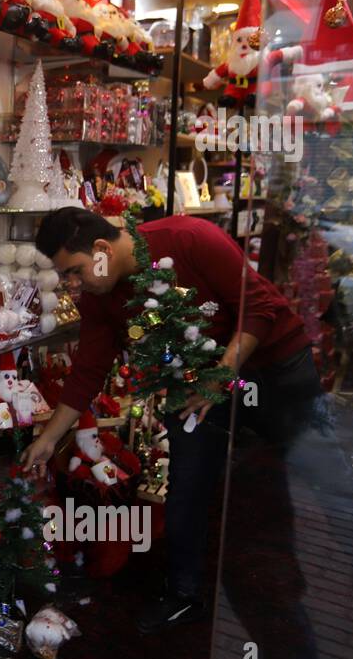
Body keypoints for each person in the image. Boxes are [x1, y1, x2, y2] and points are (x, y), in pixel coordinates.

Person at [19, 208, 320, 634]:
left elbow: (259, 307)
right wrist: (49, 438)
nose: (71, 284)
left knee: (316, 469)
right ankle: (184, 594)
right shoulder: (101, 297)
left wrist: (222, 373)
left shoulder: (189, 237)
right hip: (195, 382)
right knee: (188, 481)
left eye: (74, 271)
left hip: (274, 364)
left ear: (102, 250)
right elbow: (88, 368)